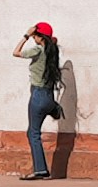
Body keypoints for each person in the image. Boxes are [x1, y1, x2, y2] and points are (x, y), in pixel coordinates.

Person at [15, 21, 63, 178]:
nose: (33, 38)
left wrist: (26, 36)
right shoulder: (52, 51)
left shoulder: (37, 49)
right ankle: (54, 109)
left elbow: (16, 52)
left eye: (35, 35)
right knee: (37, 126)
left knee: (33, 133)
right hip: (49, 95)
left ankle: (41, 170)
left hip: (38, 96)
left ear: (39, 37)